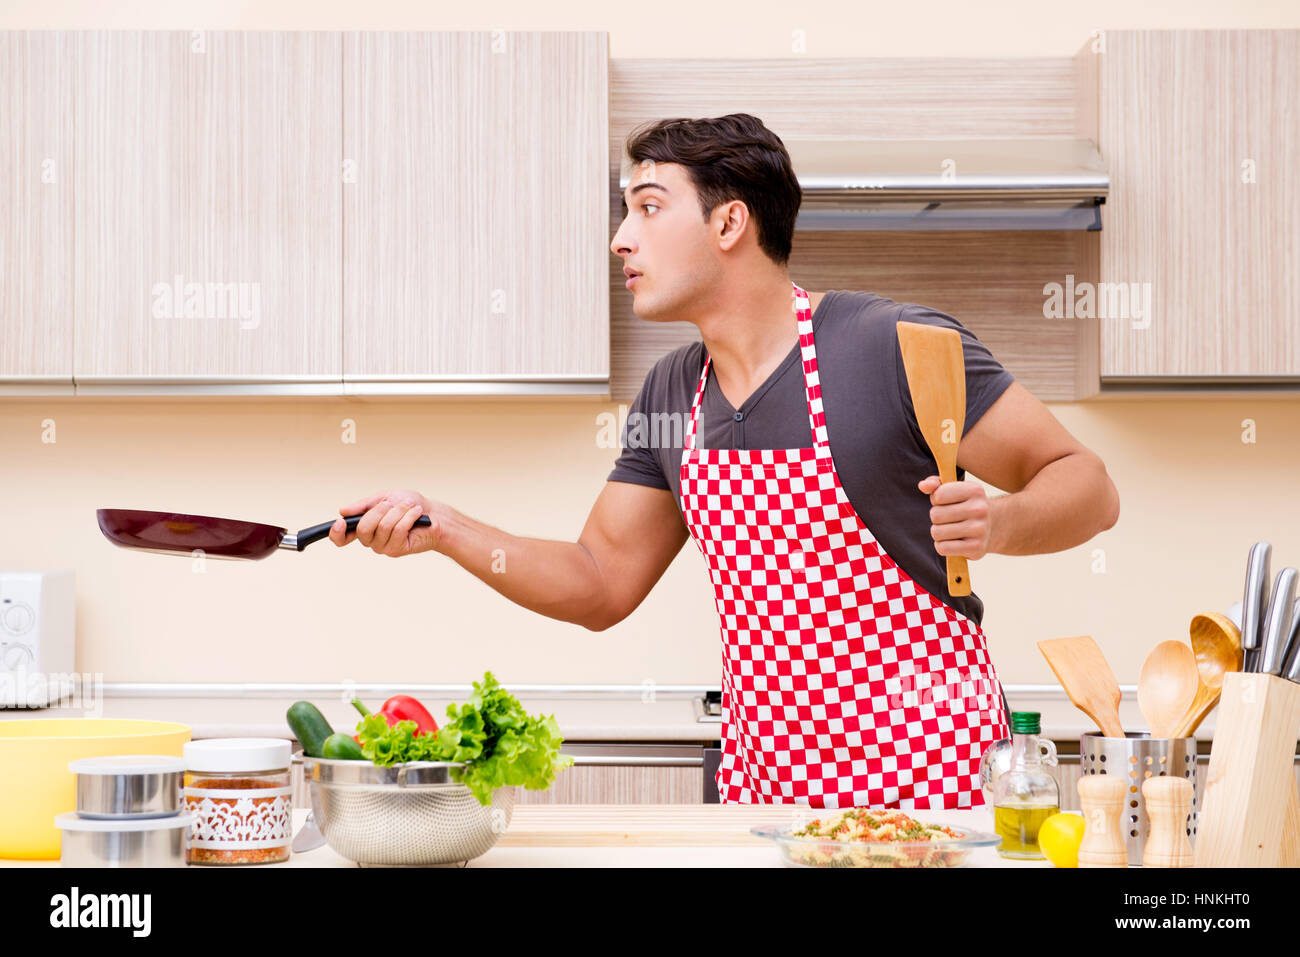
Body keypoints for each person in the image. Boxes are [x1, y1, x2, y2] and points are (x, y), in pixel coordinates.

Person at [329, 113, 1120, 809]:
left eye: (647, 208)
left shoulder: (893, 346)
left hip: (932, 787)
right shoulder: (676, 389)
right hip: (766, 797)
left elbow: (1087, 484)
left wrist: (1003, 519)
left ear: (729, 223)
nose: (621, 239)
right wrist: (448, 527)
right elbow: (600, 581)